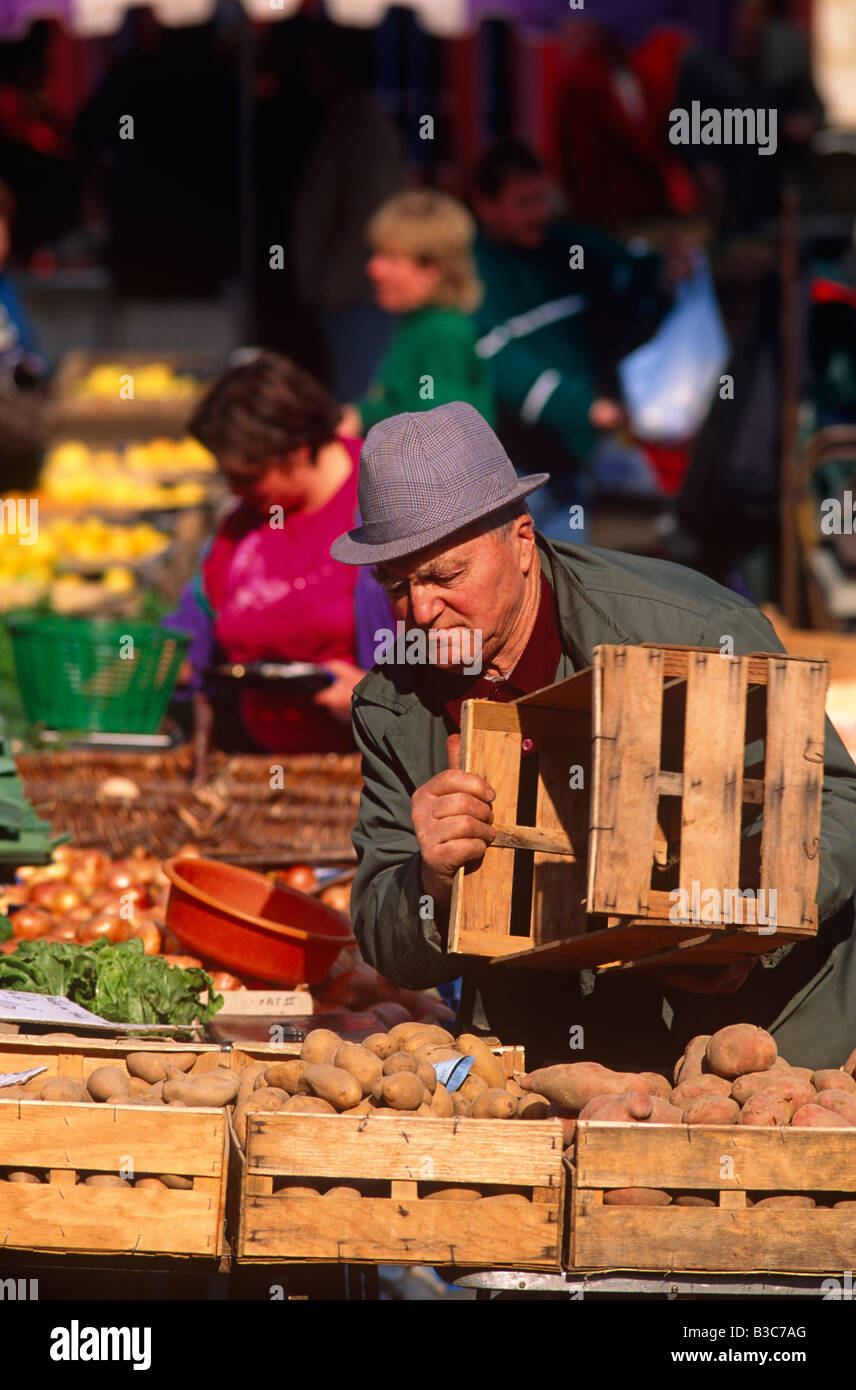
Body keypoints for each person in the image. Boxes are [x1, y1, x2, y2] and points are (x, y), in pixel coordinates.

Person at [330, 402, 856, 1072]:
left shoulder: (693, 630)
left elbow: (835, 804)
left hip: (764, 1043)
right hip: (561, 1063)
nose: (421, 610)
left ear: (521, 540)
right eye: (396, 585)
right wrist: (429, 880)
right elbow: (386, 936)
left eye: (444, 576)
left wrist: (747, 929)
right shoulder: (392, 705)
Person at [164, 352, 390, 755]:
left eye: (248, 476)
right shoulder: (244, 524)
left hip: (372, 771)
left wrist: (379, 698)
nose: (236, 492)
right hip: (265, 770)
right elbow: (193, 629)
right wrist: (162, 660)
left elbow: (444, 650)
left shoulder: (386, 501)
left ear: (299, 450)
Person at [470, 139, 674, 539]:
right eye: (523, 203)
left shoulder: (568, 246)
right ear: (485, 206)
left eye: (542, 199)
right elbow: (504, 363)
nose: (539, 213)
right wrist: (586, 407)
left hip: (576, 452)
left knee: (569, 569)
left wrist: (669, 268)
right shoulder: (476, 272)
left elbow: (629, 274)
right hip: (515, 460)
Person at [338, 190, 494, 437]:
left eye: (390, 257)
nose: (373, 269)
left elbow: (438, 430)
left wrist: (362, 420)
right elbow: (404, 403)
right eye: (376, 254)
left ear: (431, 271)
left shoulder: (442, 334)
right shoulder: (417, 325)